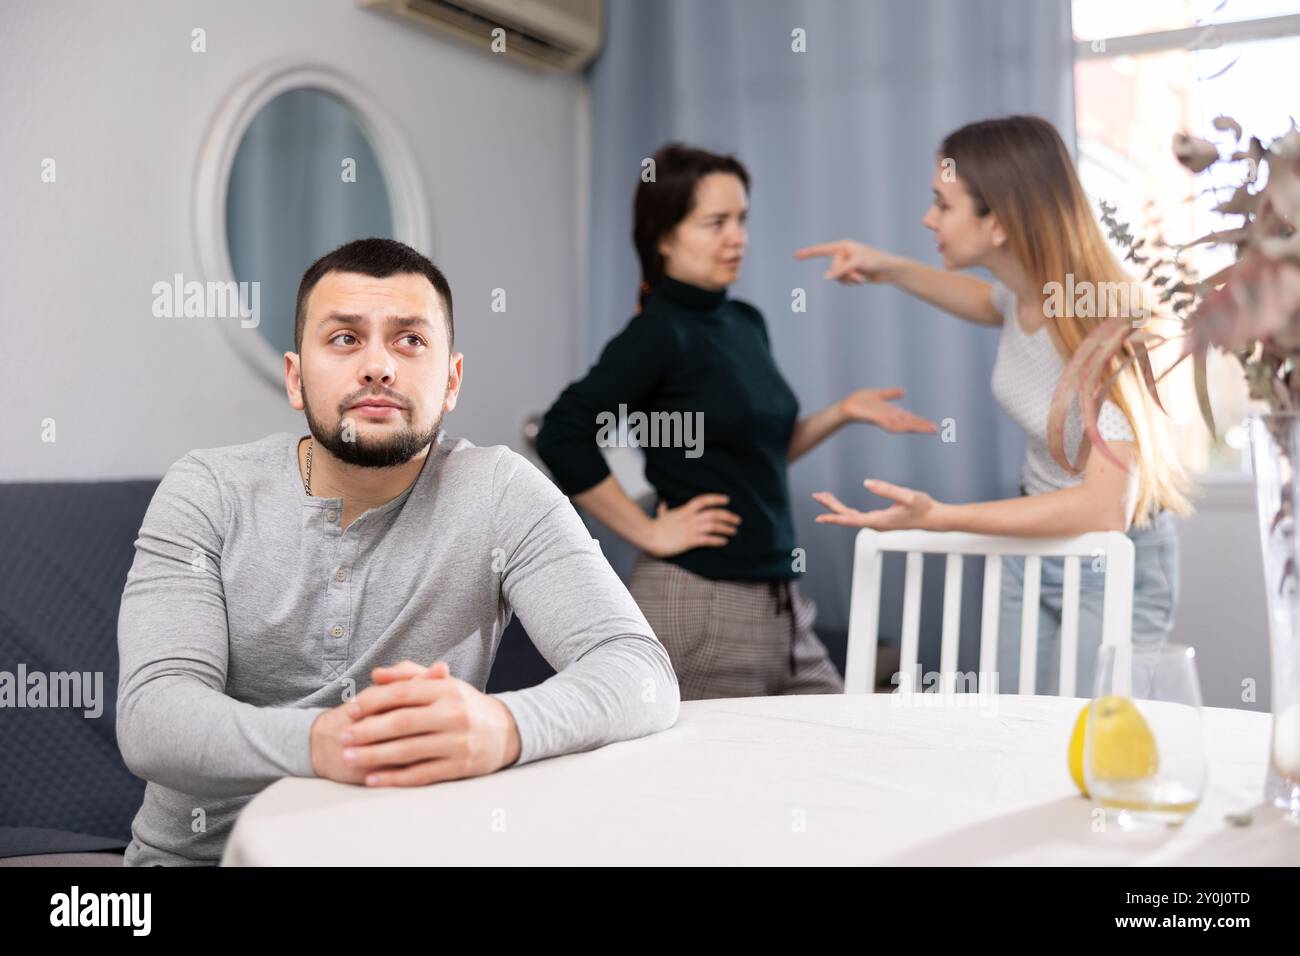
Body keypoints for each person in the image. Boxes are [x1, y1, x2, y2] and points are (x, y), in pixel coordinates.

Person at [116, 238, 680, 865]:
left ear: (451, 380)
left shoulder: (501, 492)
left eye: (410, 340)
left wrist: (503, 727)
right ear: (296, 379)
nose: (379, 366)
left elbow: (640, 671)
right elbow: (153, 717)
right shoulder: (207, 491)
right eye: (345, 339)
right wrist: (330, 743)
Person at [797, 115, 1190, 697]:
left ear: (999, 223)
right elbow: (989, 302)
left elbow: (1105, 508)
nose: (929, 219)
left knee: (1083, 741)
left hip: (1110, 556)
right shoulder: (1027, 292)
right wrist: (889, 268)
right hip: (1033, 539)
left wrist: (939, 517)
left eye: (943, 204)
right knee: (1008, 728)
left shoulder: (1095, 327)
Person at [536, 143, 936, 701]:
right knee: (713, 785)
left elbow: (760, 451)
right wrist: (649, 530)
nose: (737, 237)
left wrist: (841, 413)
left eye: (742, 220)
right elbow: (562, 432)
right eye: (715, 222)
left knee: (838, 749)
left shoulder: (744, 322)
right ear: (664, 236)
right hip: (700, 602)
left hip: (781, 602)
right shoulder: (657, 333)